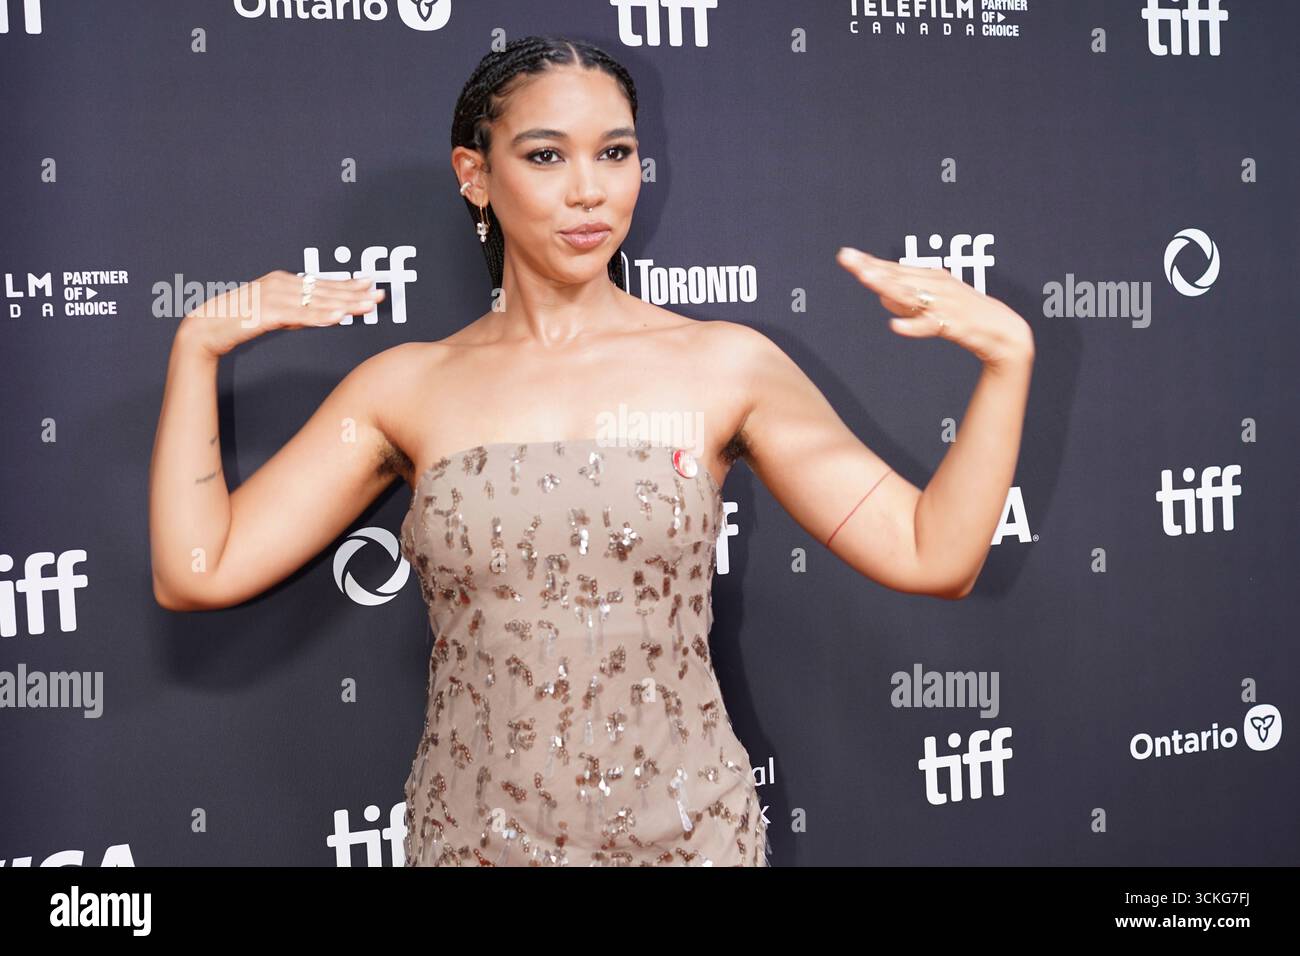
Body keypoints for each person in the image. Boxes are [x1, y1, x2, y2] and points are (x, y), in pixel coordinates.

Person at [148, 35, 1034, 867]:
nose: (589, 191)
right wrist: (198, 345)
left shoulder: (724, 366)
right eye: (545, 156)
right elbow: (200, 569)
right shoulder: (405, 387)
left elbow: (933, 553)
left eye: (615, 153)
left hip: (691, 842)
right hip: (473, 844)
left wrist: (1007, 364)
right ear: (475, 175)